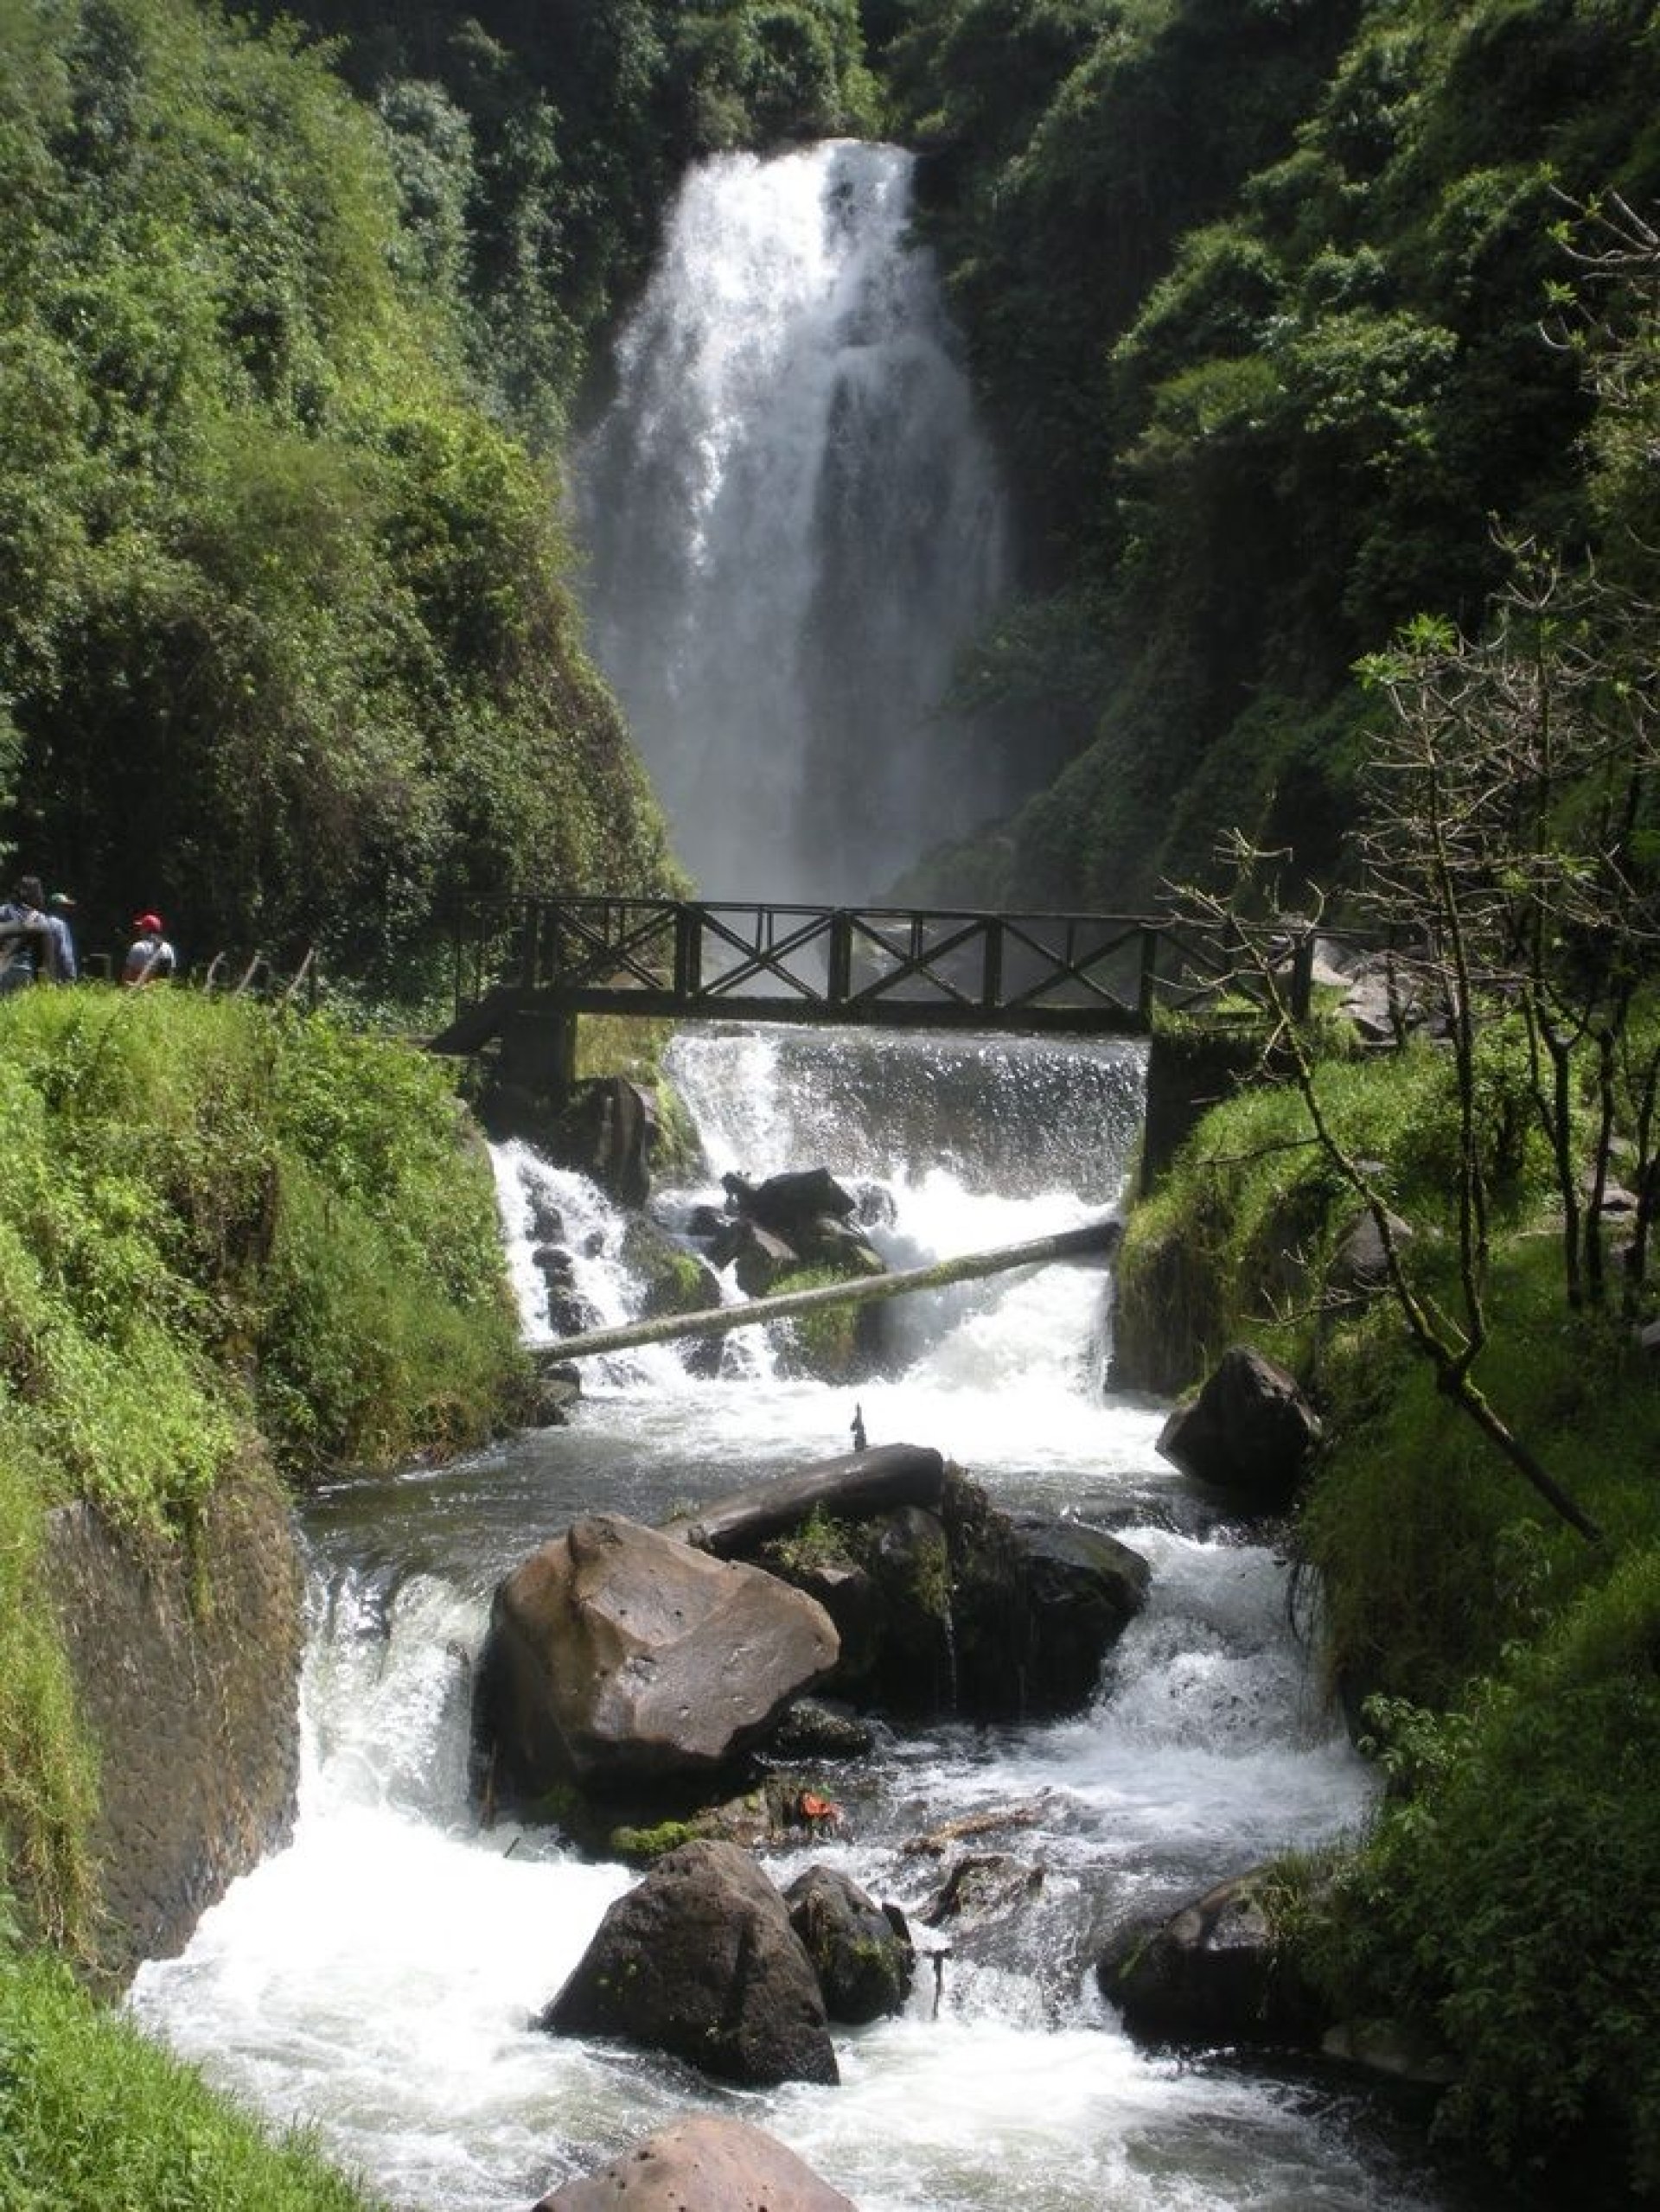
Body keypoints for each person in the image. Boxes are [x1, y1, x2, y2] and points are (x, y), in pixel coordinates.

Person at [0, 875, 50, 993]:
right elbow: (44, 958)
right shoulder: (40, 918)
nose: (40, 895)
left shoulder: (2, 911)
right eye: (38, 891)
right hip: (26, 972)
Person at [122, 911, 176, 986]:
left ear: (146, 930)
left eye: (141, 928)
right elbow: (169, 977)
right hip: (161, 994)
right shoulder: (168, 948)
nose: (140, 931)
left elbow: (126, 978)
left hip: (139, 993)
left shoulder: (138, 947)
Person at [45, 892, 78, 982]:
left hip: (44, 973)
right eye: (65, 906)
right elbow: (64, 953)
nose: (68, 909)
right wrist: (71, 974)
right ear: (57, 907)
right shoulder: (60, 925)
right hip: (59, 975)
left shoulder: (42, 922)